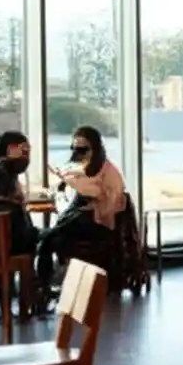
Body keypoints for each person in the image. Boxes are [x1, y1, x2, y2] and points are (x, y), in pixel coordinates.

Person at [37, 126, 127, 304]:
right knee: (50, 238)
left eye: (83, 149)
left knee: (50, 238)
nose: (78, 153)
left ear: (95, 148)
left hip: (98, 223)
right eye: (74, 148)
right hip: (79, 219)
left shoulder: (109, 171)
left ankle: (46, 285)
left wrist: (92, 199)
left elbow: (112, 203)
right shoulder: (79, 169)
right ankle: (46, 285)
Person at [0, 130, 38, 256]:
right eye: (25, 151)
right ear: (11, 149)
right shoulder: (3, 178)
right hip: (7, 244)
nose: (27, 157)